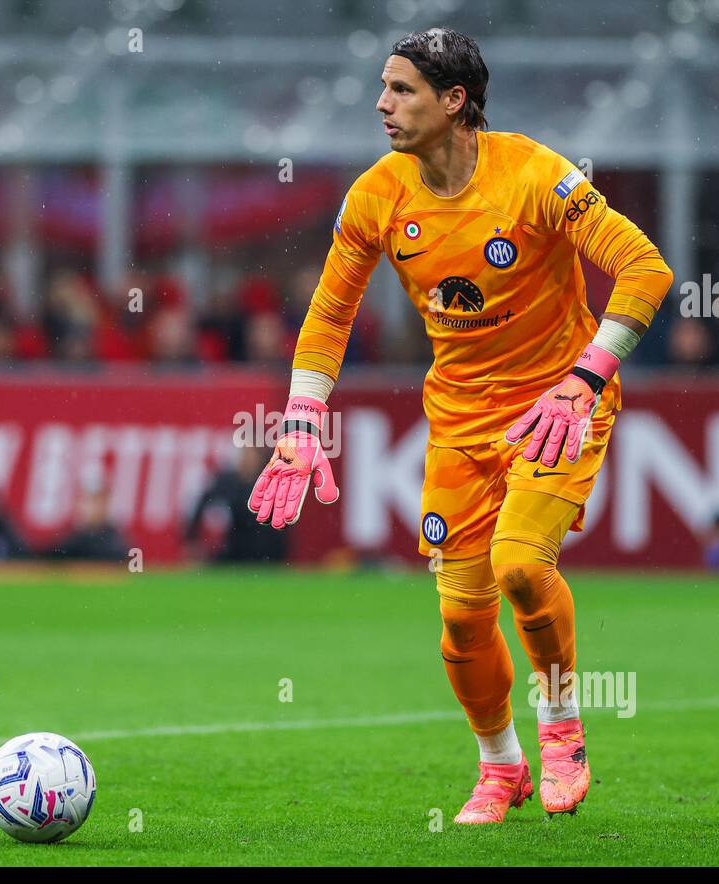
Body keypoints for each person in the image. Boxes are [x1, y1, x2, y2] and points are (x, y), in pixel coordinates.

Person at [247, 28, 672, 825]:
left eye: (401, 89)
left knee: (519, 566)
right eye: (383, 87)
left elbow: (645, 268)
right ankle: (499, 765)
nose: (382, 104)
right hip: (459, 423)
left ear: (454, 101)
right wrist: (303, 412)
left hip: (557, 410)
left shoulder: (536, 176)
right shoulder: (378, 193)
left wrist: (587, 377)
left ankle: (561, 729)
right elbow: (332, 308)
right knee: (459, 619)